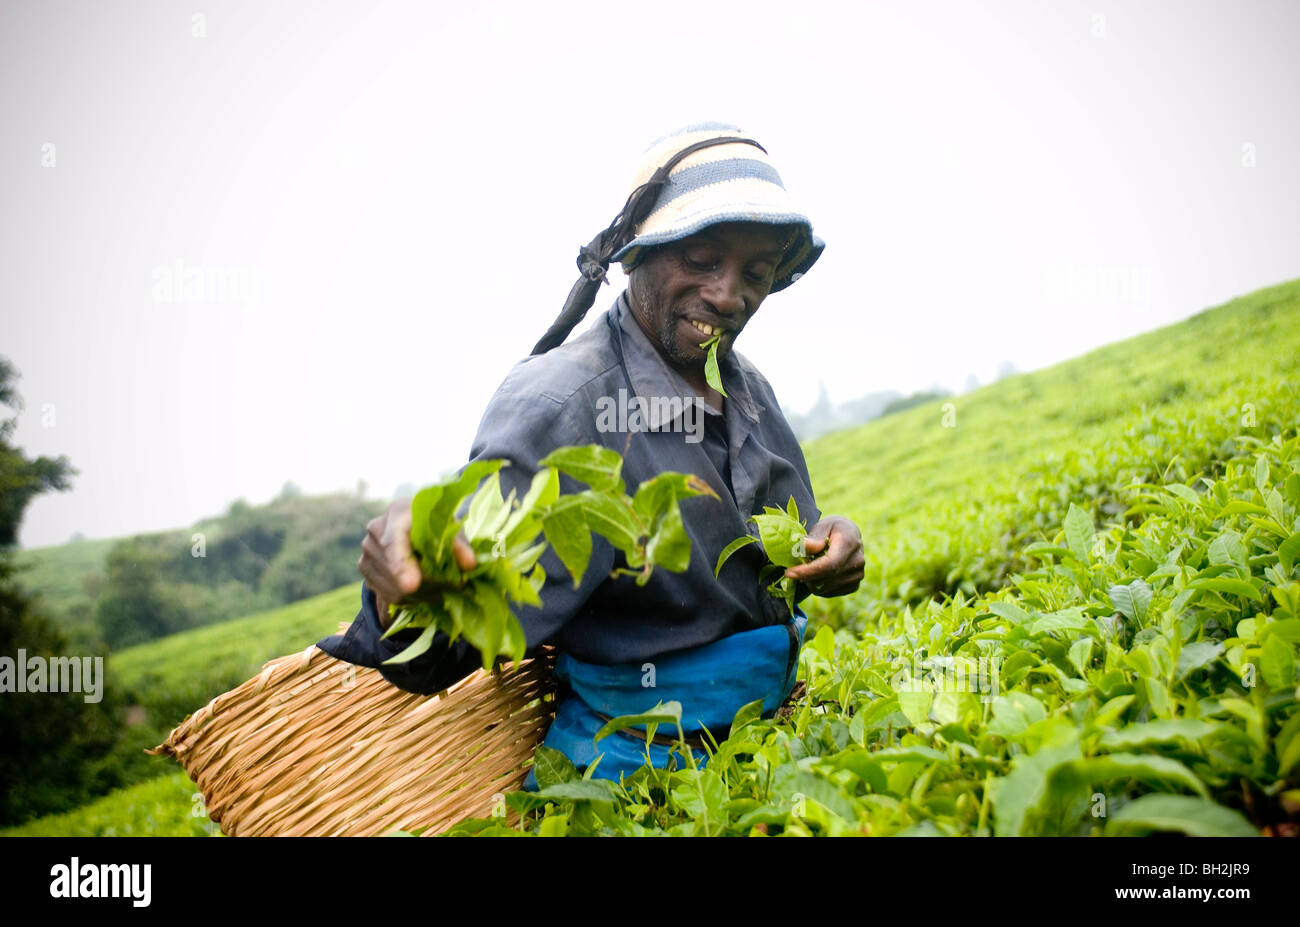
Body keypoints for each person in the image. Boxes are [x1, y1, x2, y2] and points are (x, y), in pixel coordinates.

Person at [318, 122, 865, 783]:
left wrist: (832, 545)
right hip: (638, 776)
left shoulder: (745, 385)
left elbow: (787, 553)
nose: (728, 295)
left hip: (770, 738)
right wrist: (403, 590)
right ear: (637, 255)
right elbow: (443, 648)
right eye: (701, 259)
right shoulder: (562, 405)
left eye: (755, 272)